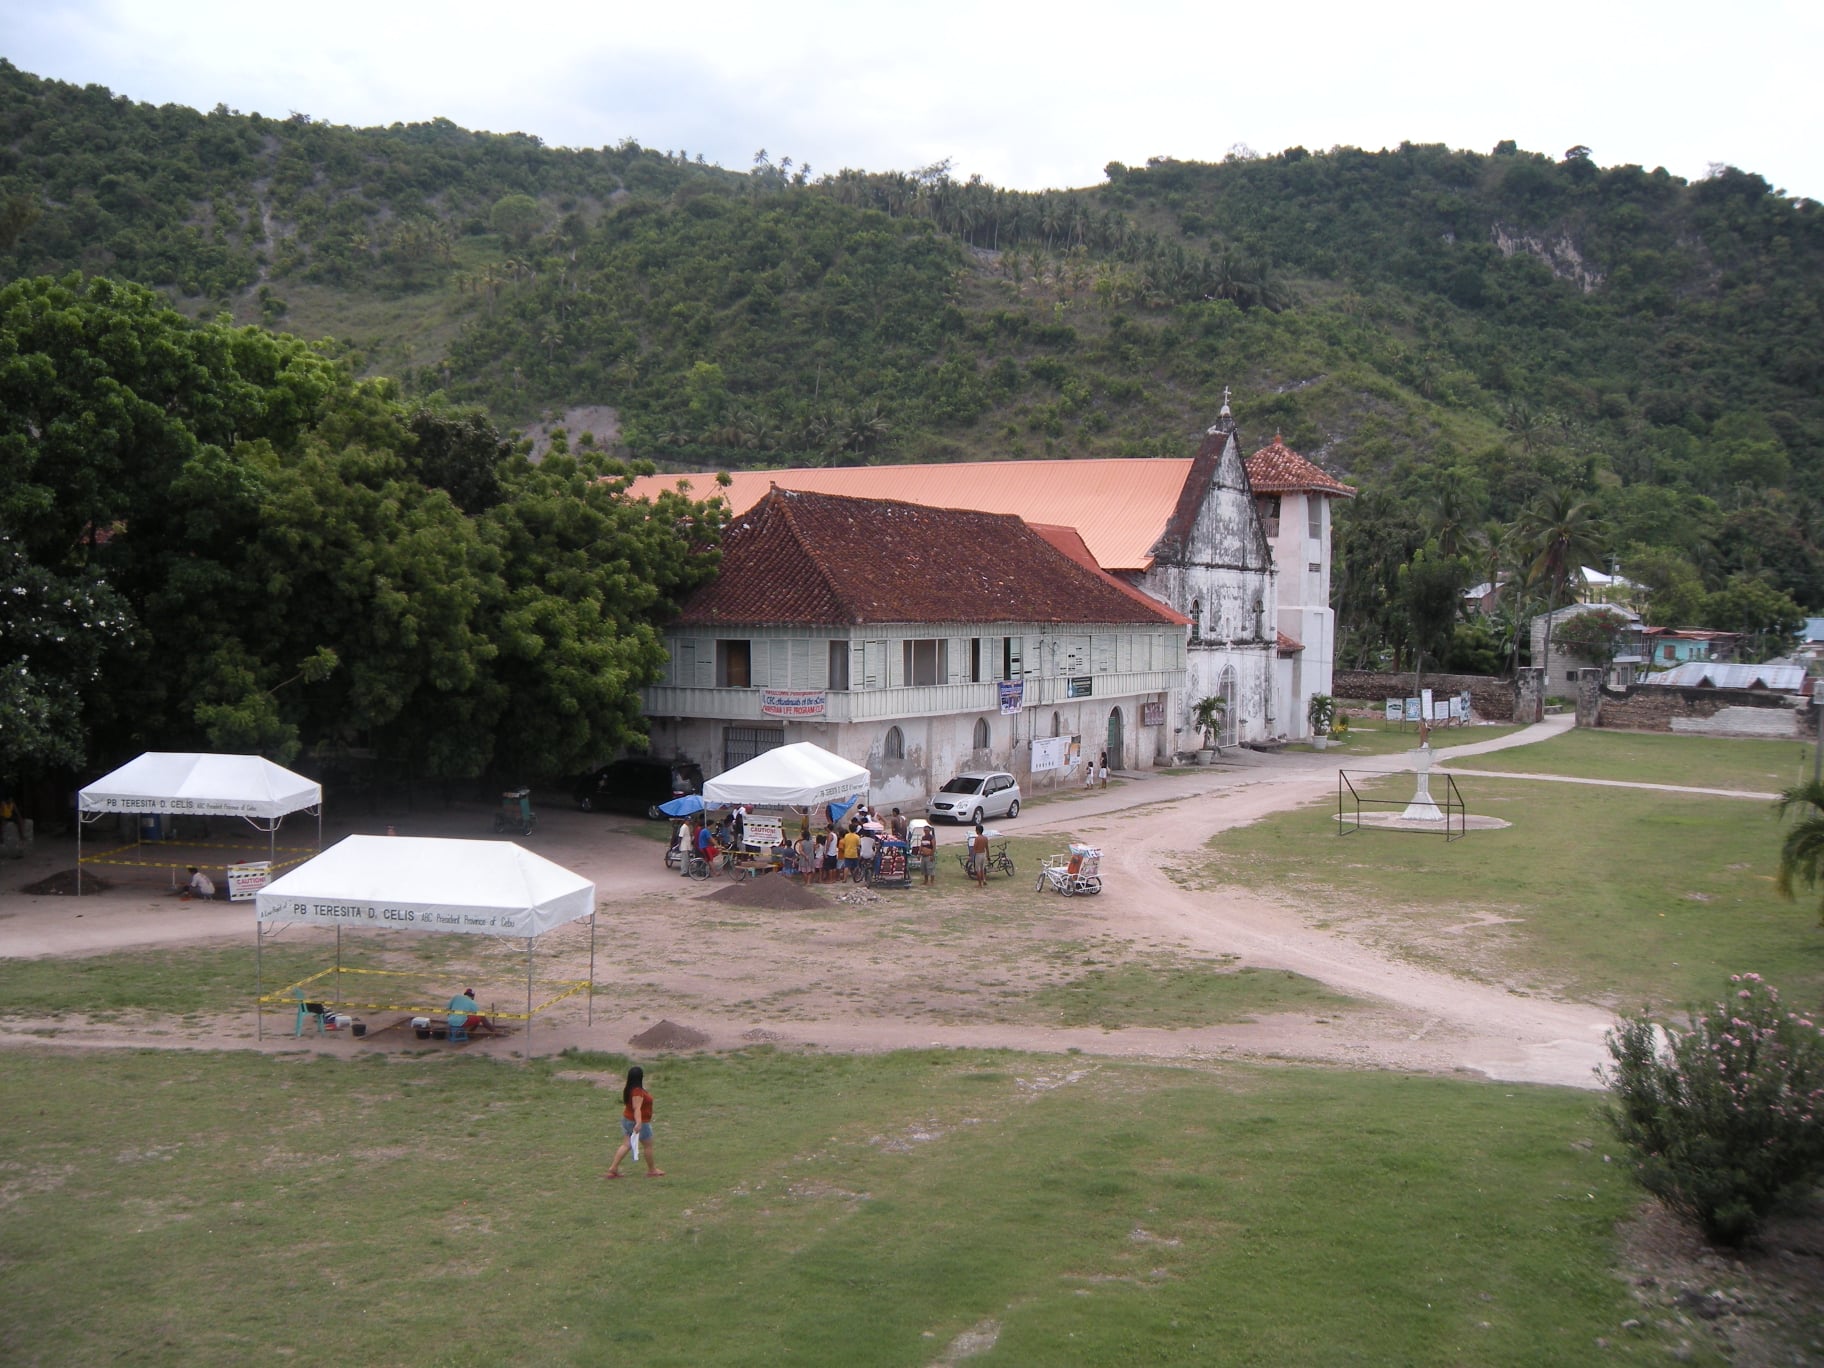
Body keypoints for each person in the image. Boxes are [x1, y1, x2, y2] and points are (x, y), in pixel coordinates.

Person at [605, 1065, 664, 1178]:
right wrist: (639, 1122)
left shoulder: (630, 1089)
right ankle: (652, 1170)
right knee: (648, 1146)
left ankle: (613, 1168)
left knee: (626, 1145)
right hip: (638, 1122)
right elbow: (637, 1108)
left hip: (627, 1119)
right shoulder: (637, 1091)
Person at [969, 822, 989, 888]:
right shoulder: (985, 838)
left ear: (977, 830)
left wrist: (971, 856)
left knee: (978, 869)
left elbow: (974, 848)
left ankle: (980, 884)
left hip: (978, 855)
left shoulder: (977, 838)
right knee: (982, 868)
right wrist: (988, 856)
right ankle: (984, 880)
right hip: (984, 854)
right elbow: (987, 847)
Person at [917, 821, 937, 886]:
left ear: (929, 831)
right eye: (924, 830)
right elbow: (921, 846)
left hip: (929, 855)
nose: (925, 831)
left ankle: (932, 882)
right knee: (924, 869)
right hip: (924, 855)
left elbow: (934, 847)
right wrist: (919, 853)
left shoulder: (932, 838)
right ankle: (925, 881)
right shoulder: (923, 838)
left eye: (927, 830)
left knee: (931, 869)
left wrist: (932, 855)